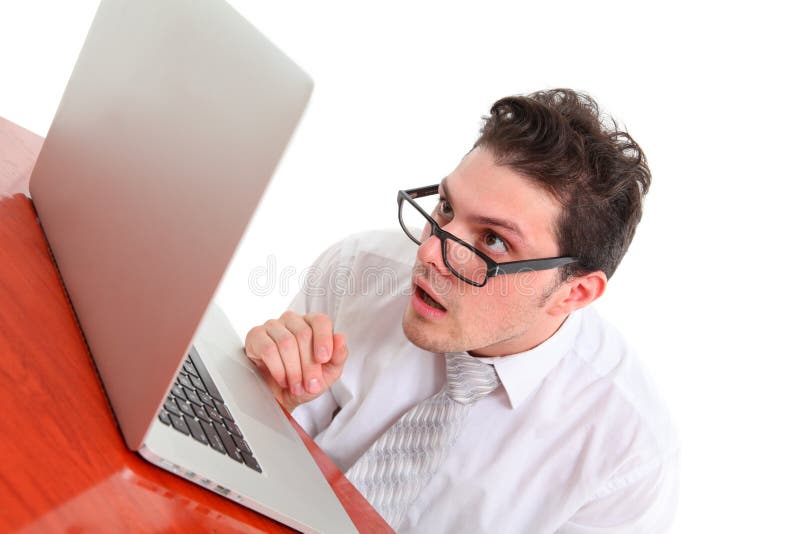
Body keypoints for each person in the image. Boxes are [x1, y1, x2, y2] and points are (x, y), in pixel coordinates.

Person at [245, 89, 679, 533]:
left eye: (493, 240)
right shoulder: (357, 270)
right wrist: (261, 404)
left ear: (575, 292)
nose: (431, 250)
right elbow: (260, 466)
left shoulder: (627, 455)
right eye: (447, 207)